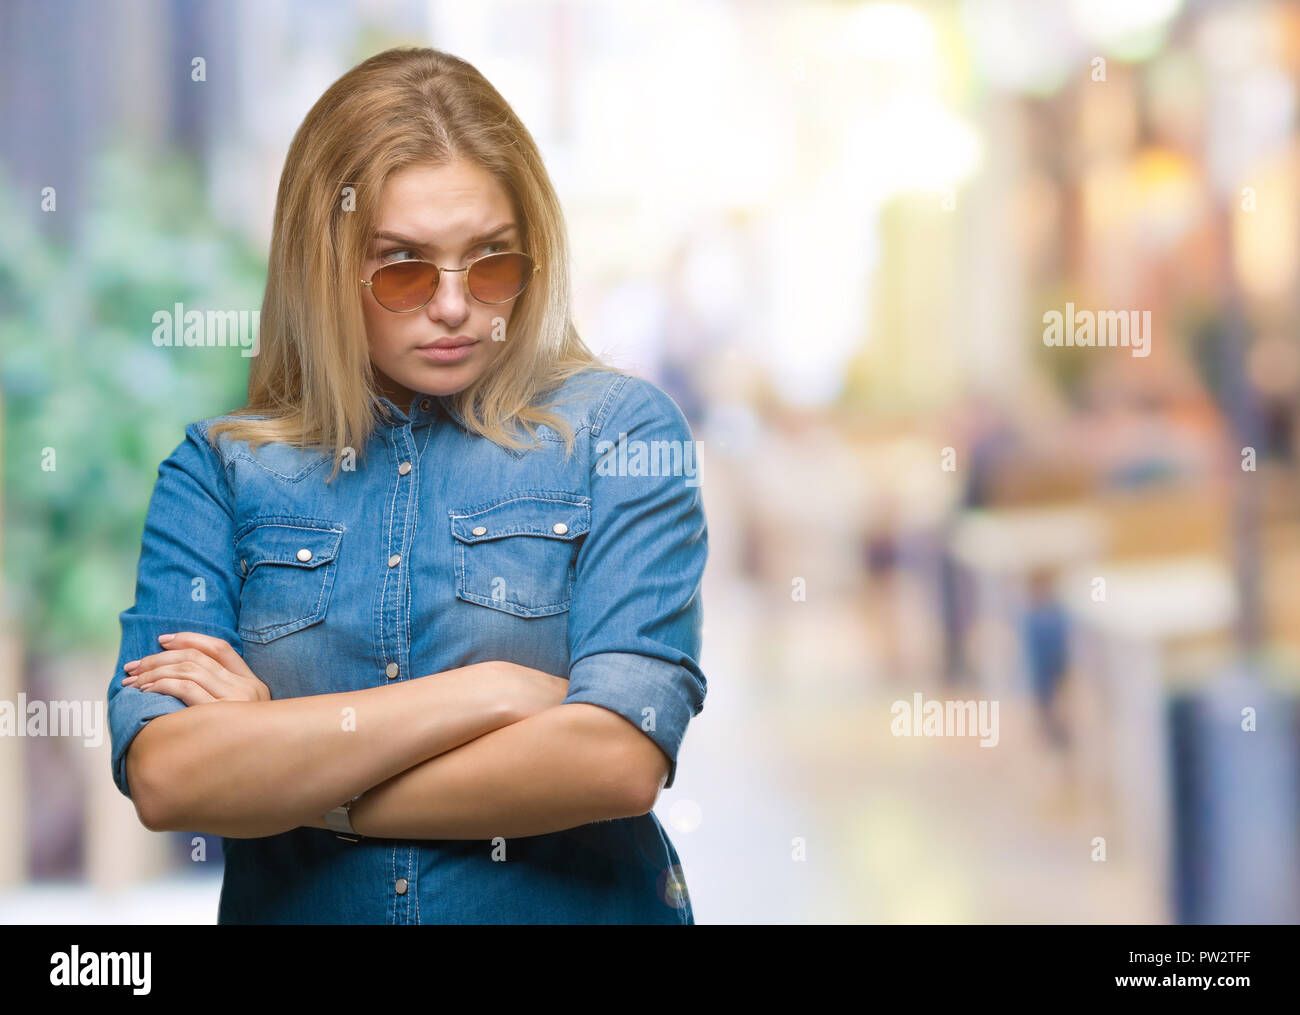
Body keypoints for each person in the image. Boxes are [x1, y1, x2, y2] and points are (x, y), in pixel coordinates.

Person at [106, 46, 708, 925]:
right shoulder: (219, 473)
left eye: (492, 261)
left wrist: (282, 755)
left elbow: (615, 760)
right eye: (405, 267)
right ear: (325, 265)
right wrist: (487, 693)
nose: (457, 305)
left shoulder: (621, 435)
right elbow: (168, 776)